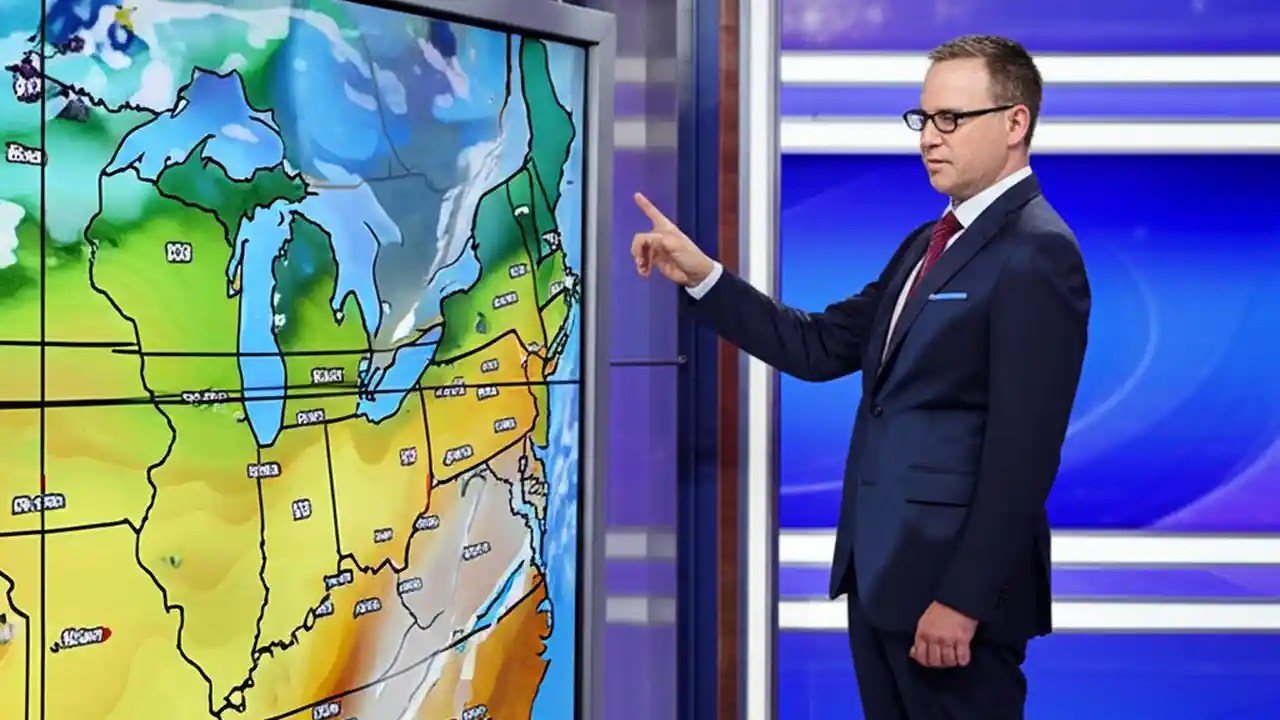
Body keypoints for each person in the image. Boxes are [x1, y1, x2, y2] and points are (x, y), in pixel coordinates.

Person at [630, 34, 1090, 720]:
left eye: (951, 120)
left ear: (1016, 122)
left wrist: (962, 600)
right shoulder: (926, 244)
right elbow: (818, 347)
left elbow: (1022, 455)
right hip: (883, 585)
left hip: (950, 604)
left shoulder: (1037, 253)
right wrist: (704, 277)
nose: (930, 139)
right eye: (924, 119)